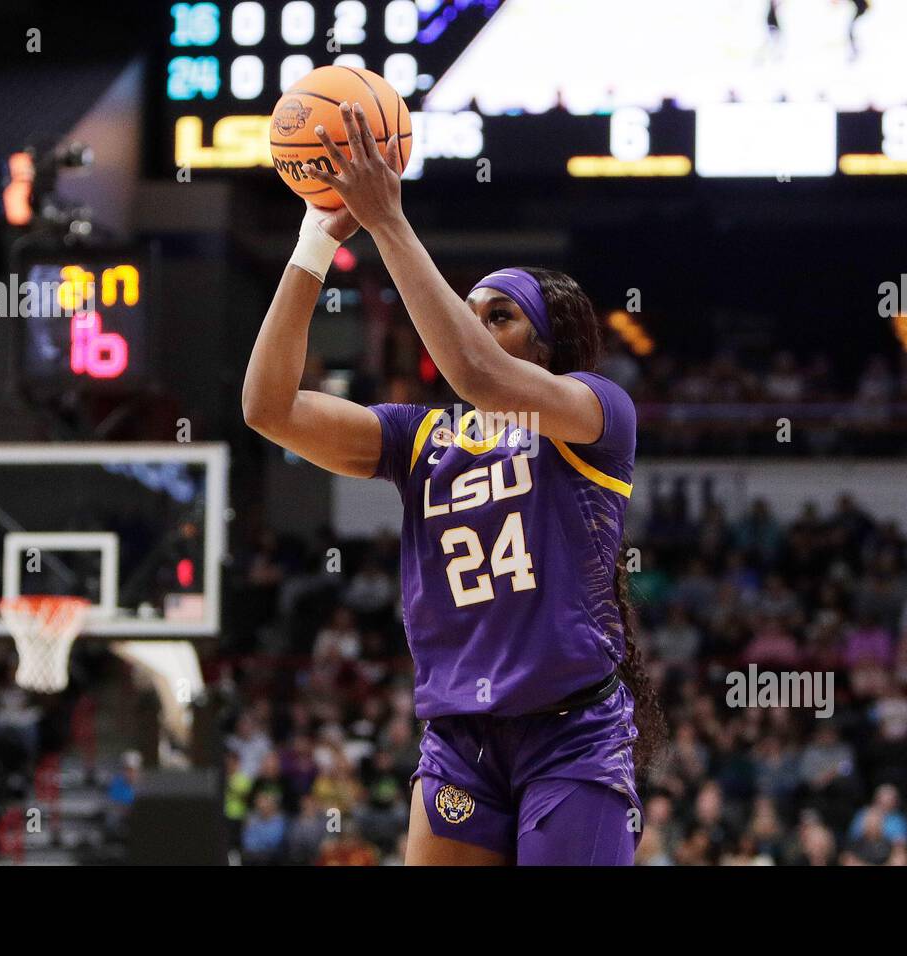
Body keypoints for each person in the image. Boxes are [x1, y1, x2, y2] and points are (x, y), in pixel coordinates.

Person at [243, 99, 664, 865]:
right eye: (468, 313)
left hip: (570, 732)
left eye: (497, 316)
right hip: (459, 739)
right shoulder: (422, 436)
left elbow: (478, 374)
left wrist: (389, 222)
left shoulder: (596, 414)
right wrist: (313, 240)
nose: (472, 328)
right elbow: (269, 408)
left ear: (547, 343)